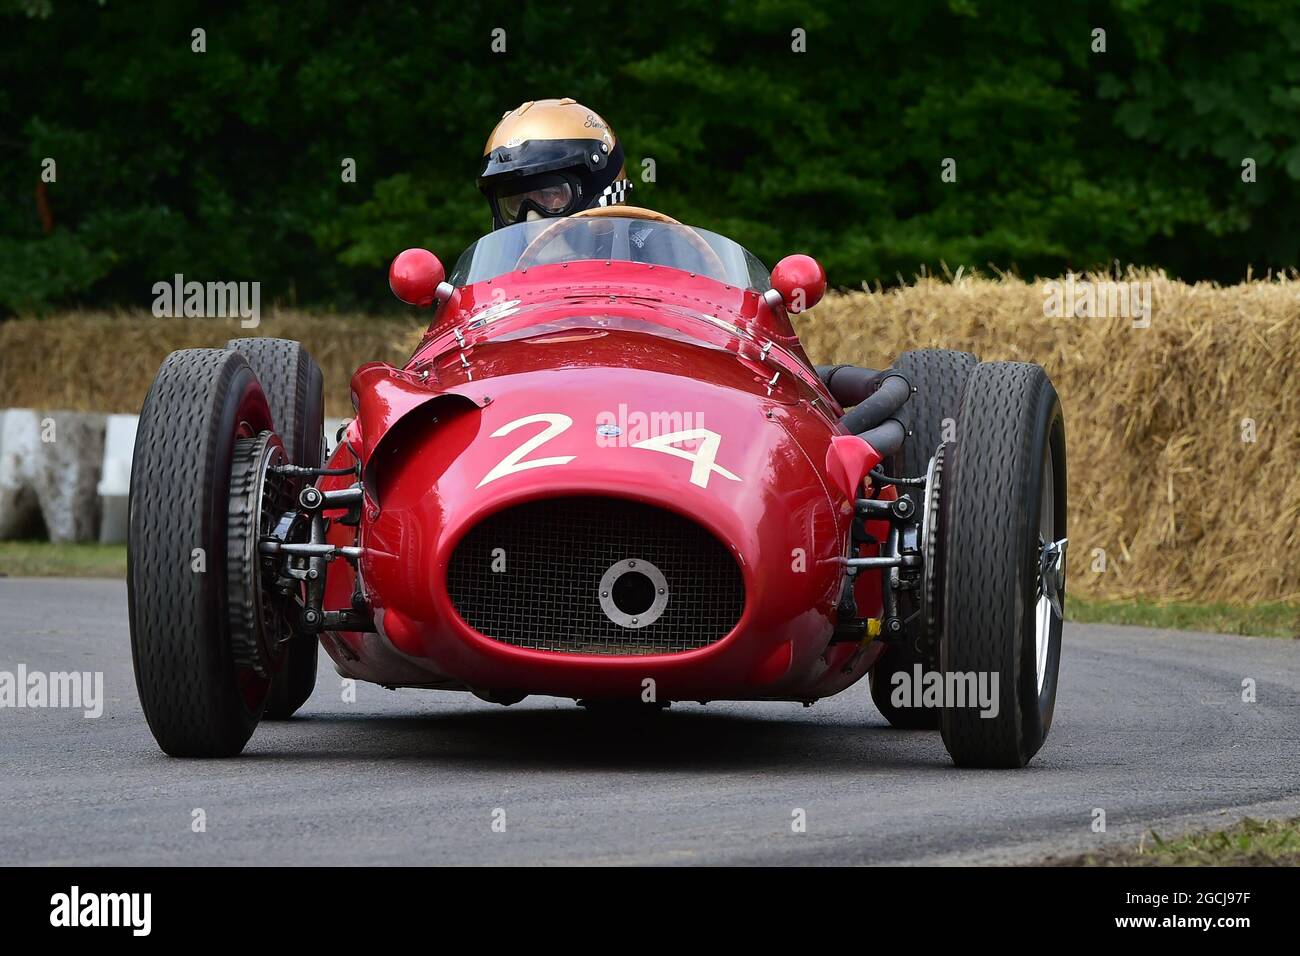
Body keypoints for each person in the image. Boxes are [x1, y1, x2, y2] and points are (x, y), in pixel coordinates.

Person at [477, 98, 633, 230]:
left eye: (549, 194)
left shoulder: (646, 258)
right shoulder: (501, 266)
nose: (531, 219)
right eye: (516, 203)